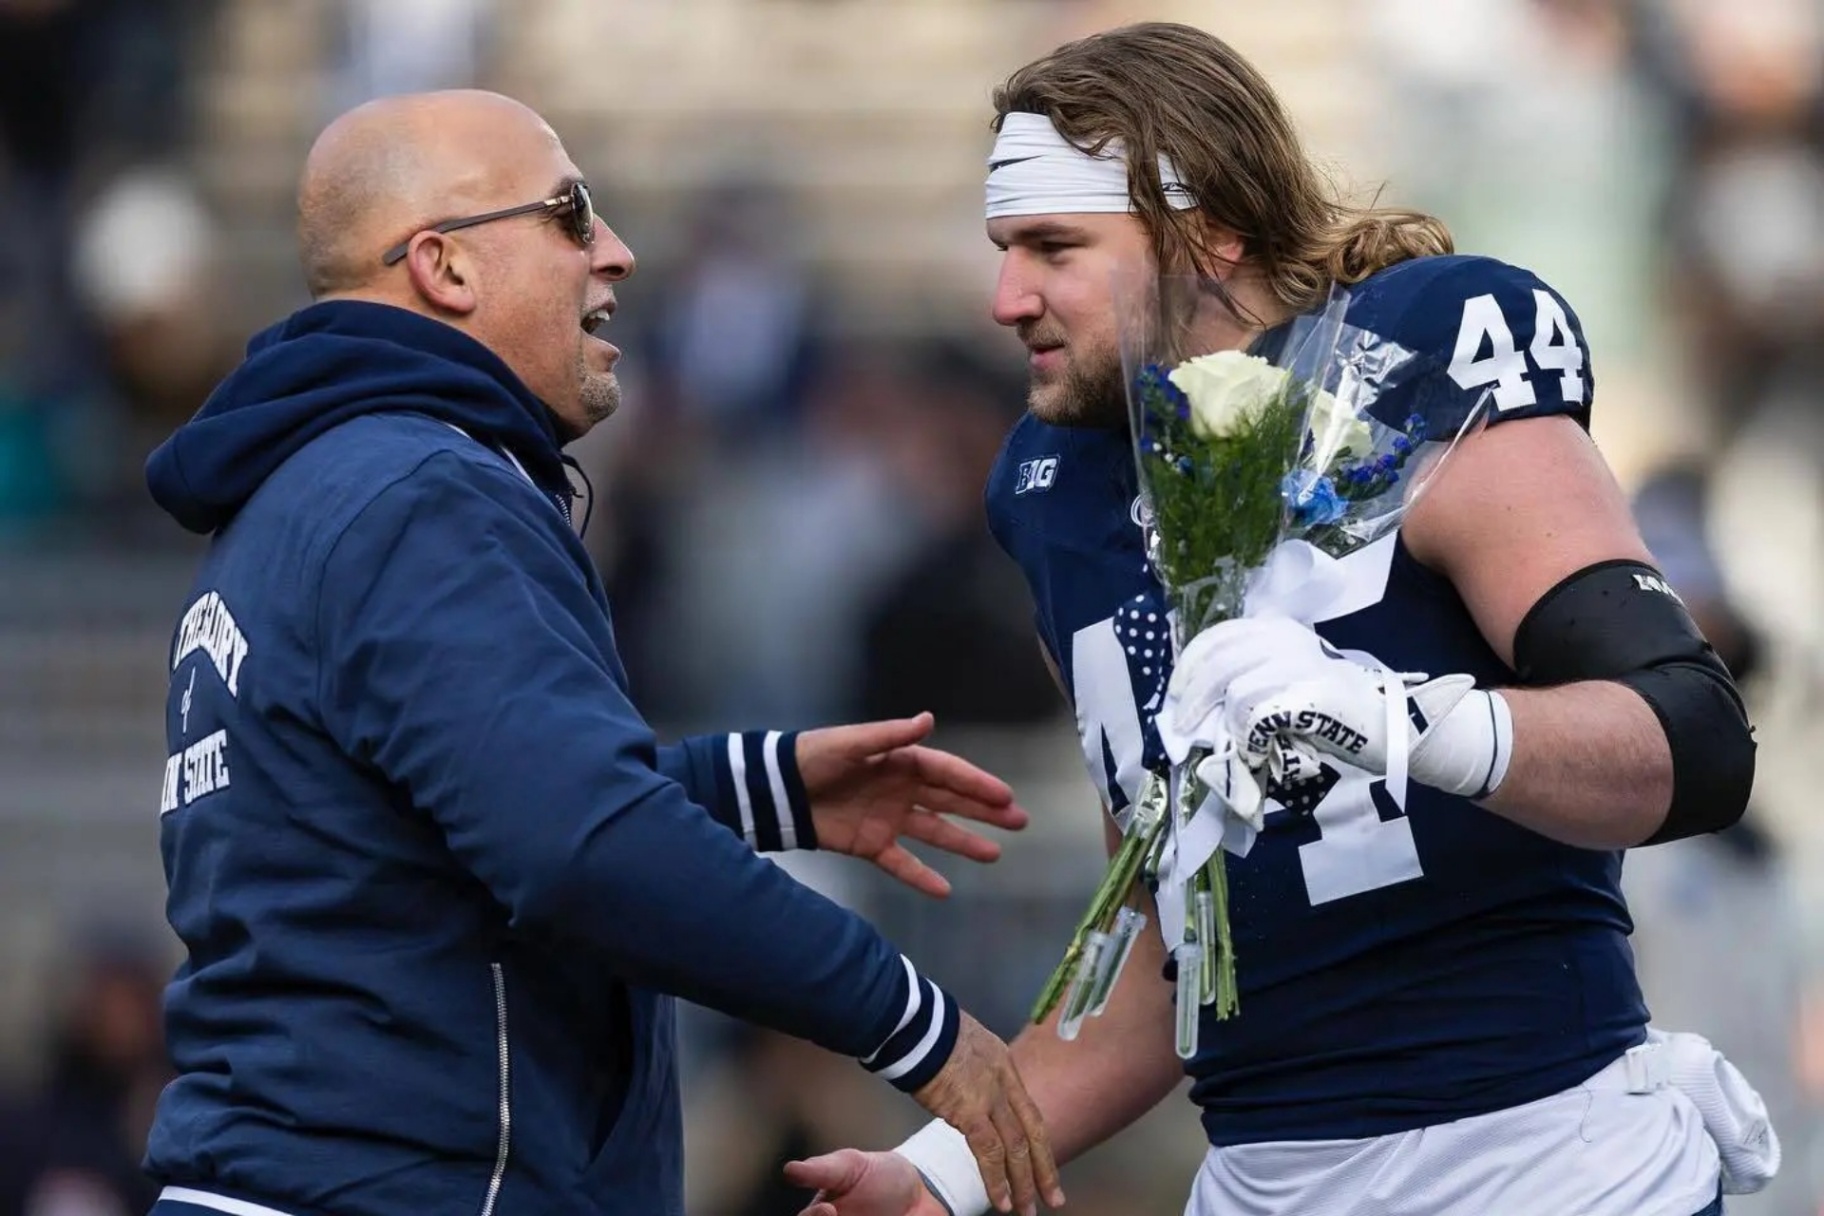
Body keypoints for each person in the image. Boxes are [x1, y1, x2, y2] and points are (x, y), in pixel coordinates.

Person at [787, 22, 1771, 1216]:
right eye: (1004, 249)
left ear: (1211, 234)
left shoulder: (1420, 364)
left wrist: (1412, 726)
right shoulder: (1057, 491)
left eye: (1053, 246)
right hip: (1266, 1181)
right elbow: (1172, 947)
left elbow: (1695, 742)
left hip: (1540, 1163)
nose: (1007, 297)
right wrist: (945, 1173)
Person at [138, 90, 1062, 1216]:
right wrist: (916, 1025)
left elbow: (441, 818)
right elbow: (572, 846)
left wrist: (745, 789)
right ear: (446, 267)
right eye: (571, 214)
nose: (616, 253)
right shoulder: (421, 492)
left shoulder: (312, 488)